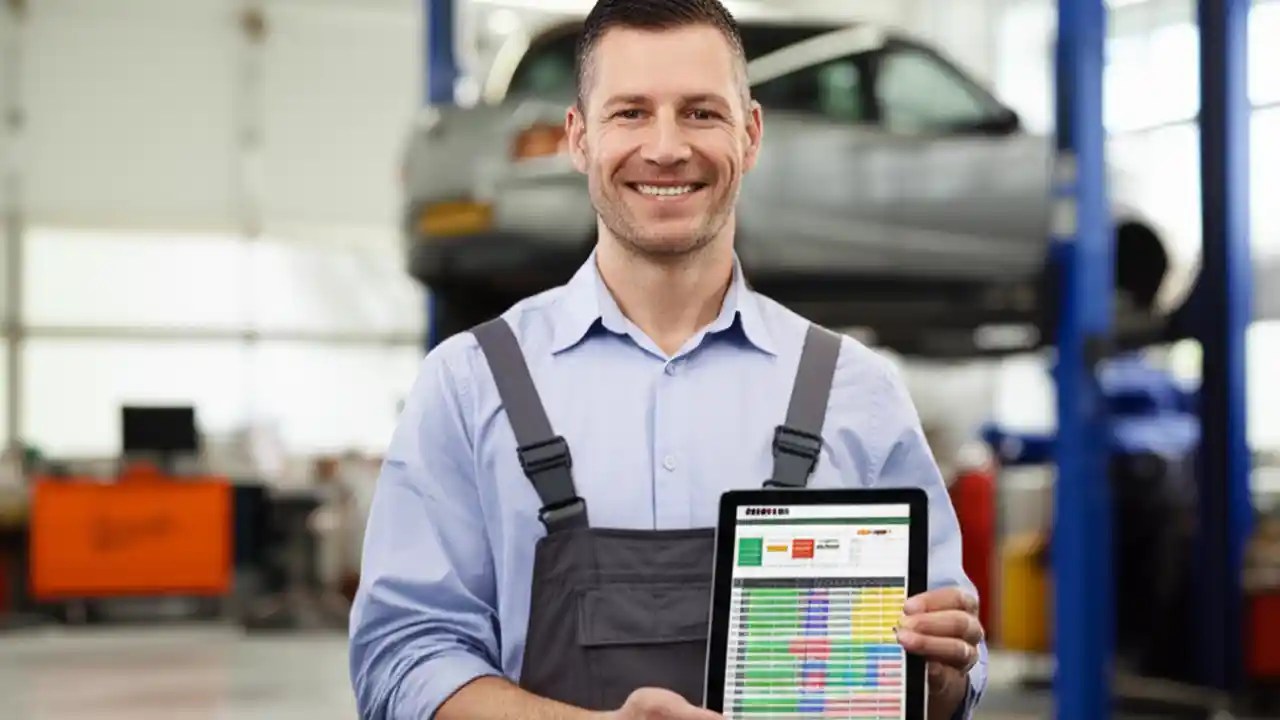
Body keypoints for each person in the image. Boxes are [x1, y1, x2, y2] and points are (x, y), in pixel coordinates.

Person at [349, 0, 988, 718]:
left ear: (749, 135)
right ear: (579, 138)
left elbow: (945, 679)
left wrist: (936, 678)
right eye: (630, 113)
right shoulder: (469, 386)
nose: (665, 147)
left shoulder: (856, 393)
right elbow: (402, 660)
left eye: (700, 113)